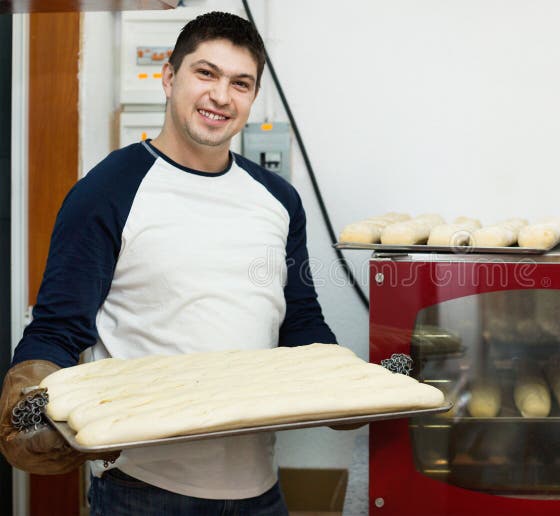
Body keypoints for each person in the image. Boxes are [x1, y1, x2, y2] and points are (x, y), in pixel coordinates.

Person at [0, 11, 337, 515]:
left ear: (252, 97)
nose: (221, 96)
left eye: (240, 83)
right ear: (168, 76)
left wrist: (352, 381)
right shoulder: (109, 191)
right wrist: (29, 400)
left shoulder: (278, 200)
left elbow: (301, 318)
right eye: (206, 73)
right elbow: (58, 328)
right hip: (141, 490)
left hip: (260, 490)